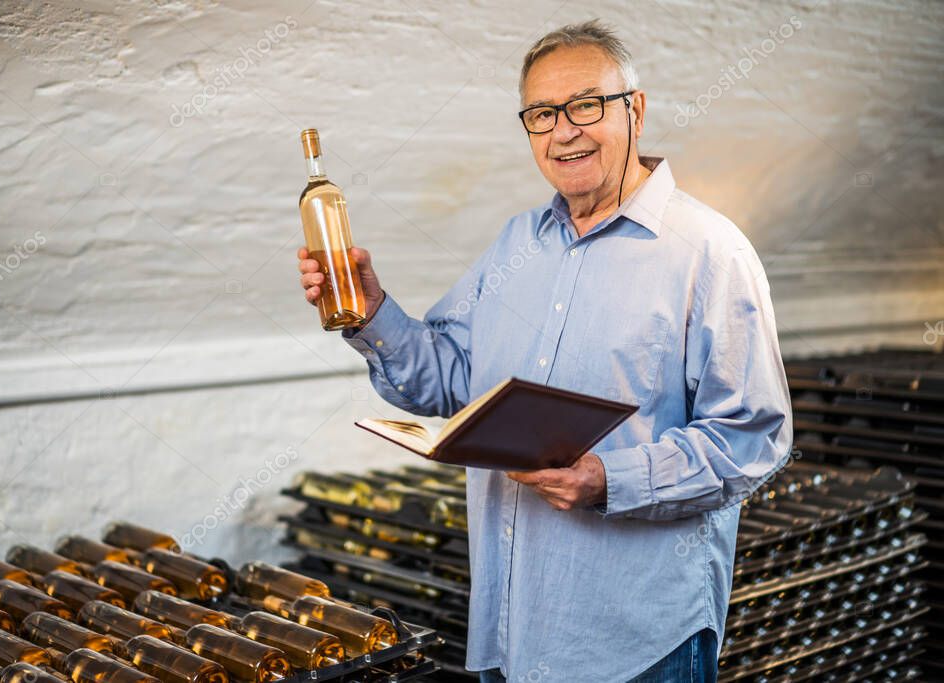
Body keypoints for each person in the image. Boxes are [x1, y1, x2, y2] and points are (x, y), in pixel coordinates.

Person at [297, 20, 792, 682]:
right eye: (541, 113)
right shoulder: (515, 244)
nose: (565, 130)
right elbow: (444, 380)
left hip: (640, 643)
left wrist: (609, 480)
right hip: (515, 630)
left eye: (587, 104)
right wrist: (371, 307)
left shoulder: (709, 251)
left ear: (635, 110)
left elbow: (752, 438)